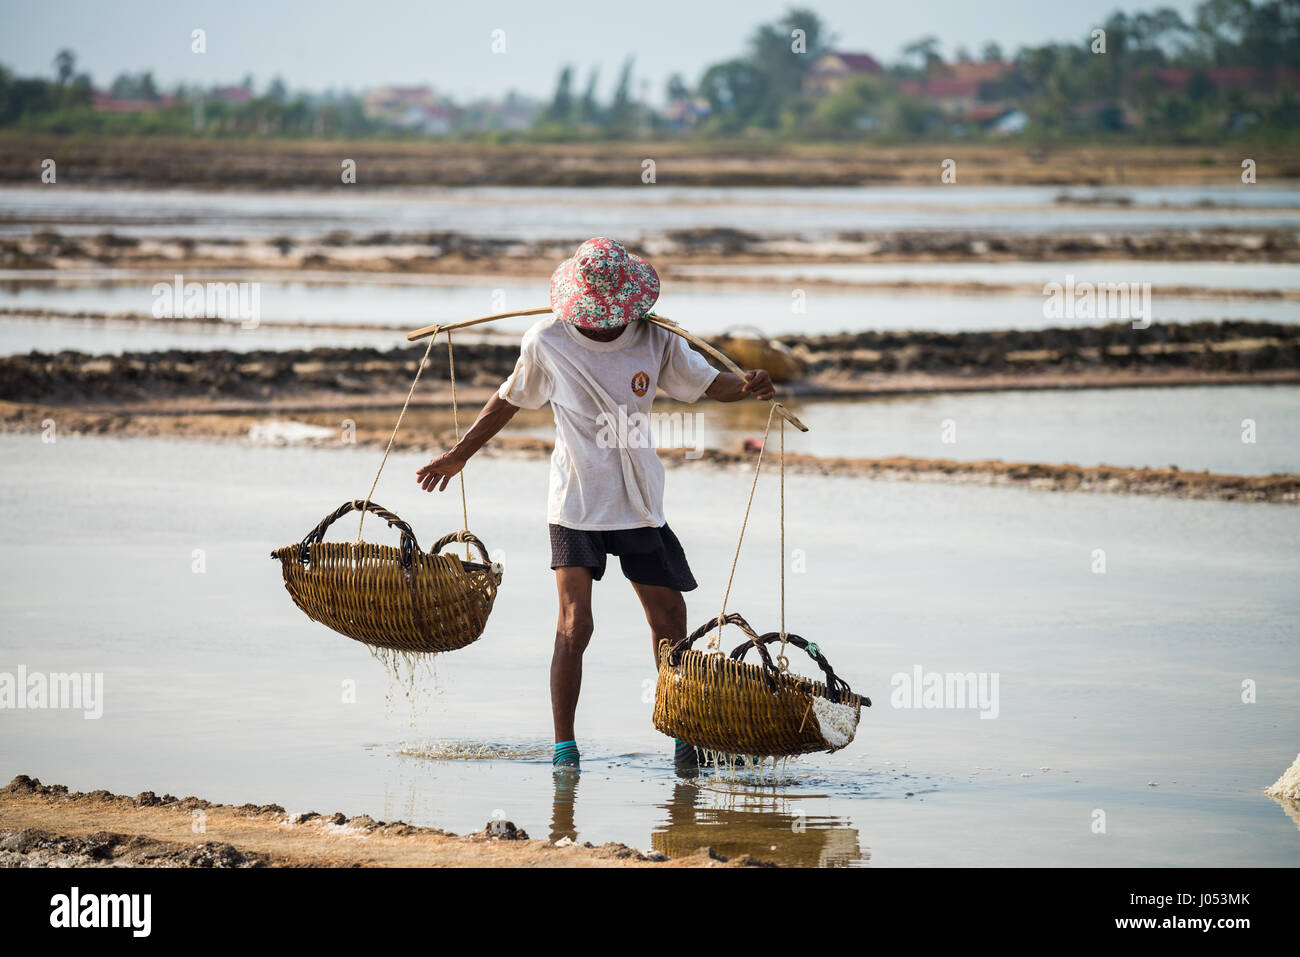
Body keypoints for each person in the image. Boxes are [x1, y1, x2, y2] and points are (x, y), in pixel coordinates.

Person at [416, 237, 774, 774]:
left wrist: (745, 385)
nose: (607, 322)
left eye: (617, 314)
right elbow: (509, 398)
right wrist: (458, 455)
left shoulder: (656, 337)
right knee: (574, 625)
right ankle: (565, 747)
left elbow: (705, 384)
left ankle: (681, 733)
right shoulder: (547, 341)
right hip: (577, 502)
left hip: (638, 500)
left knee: (670, 616)